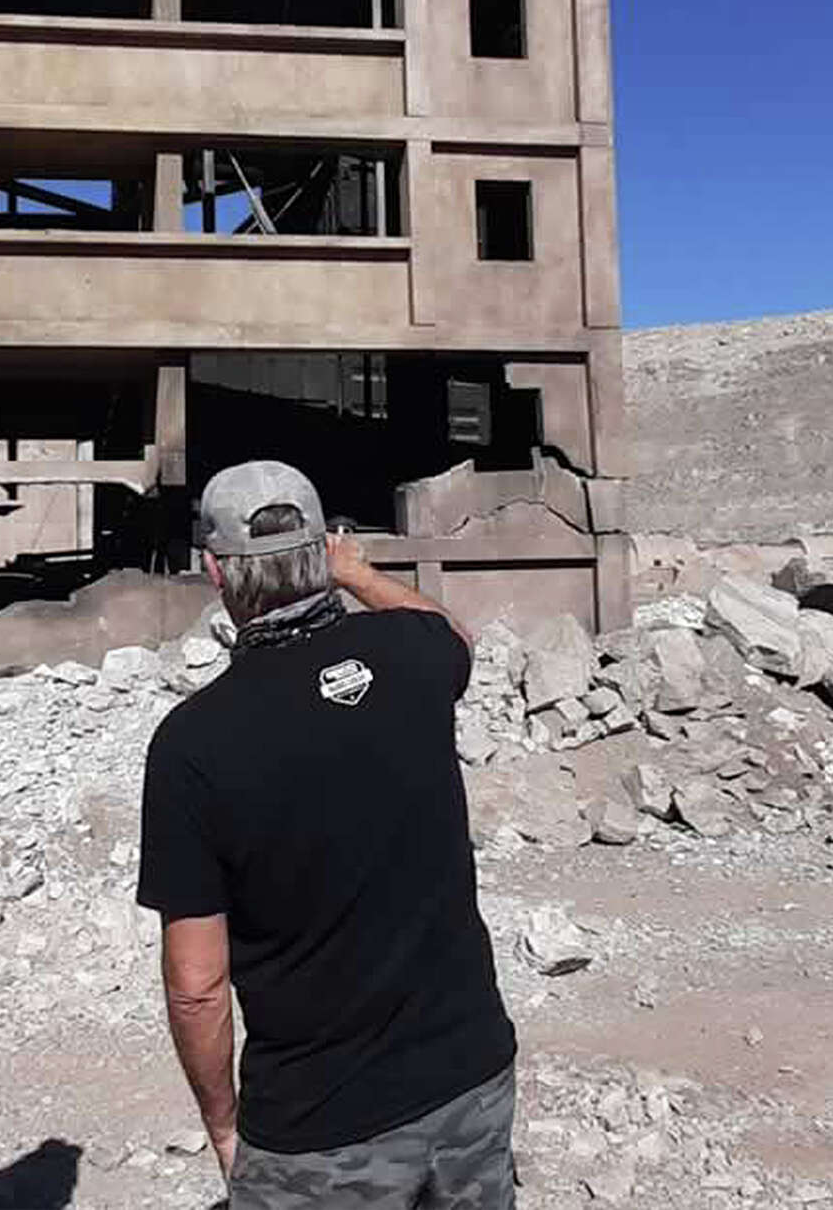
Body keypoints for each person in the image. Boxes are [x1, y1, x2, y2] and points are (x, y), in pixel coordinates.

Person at [136, 460, 518, 1209]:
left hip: (320, 1126)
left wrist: (222, 1127)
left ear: (215, 570)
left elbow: (196, 986)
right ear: (324, 551)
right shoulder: (411, 657)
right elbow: (452, 635)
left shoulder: (193, 745)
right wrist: (358, 574)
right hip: (470, 1076)